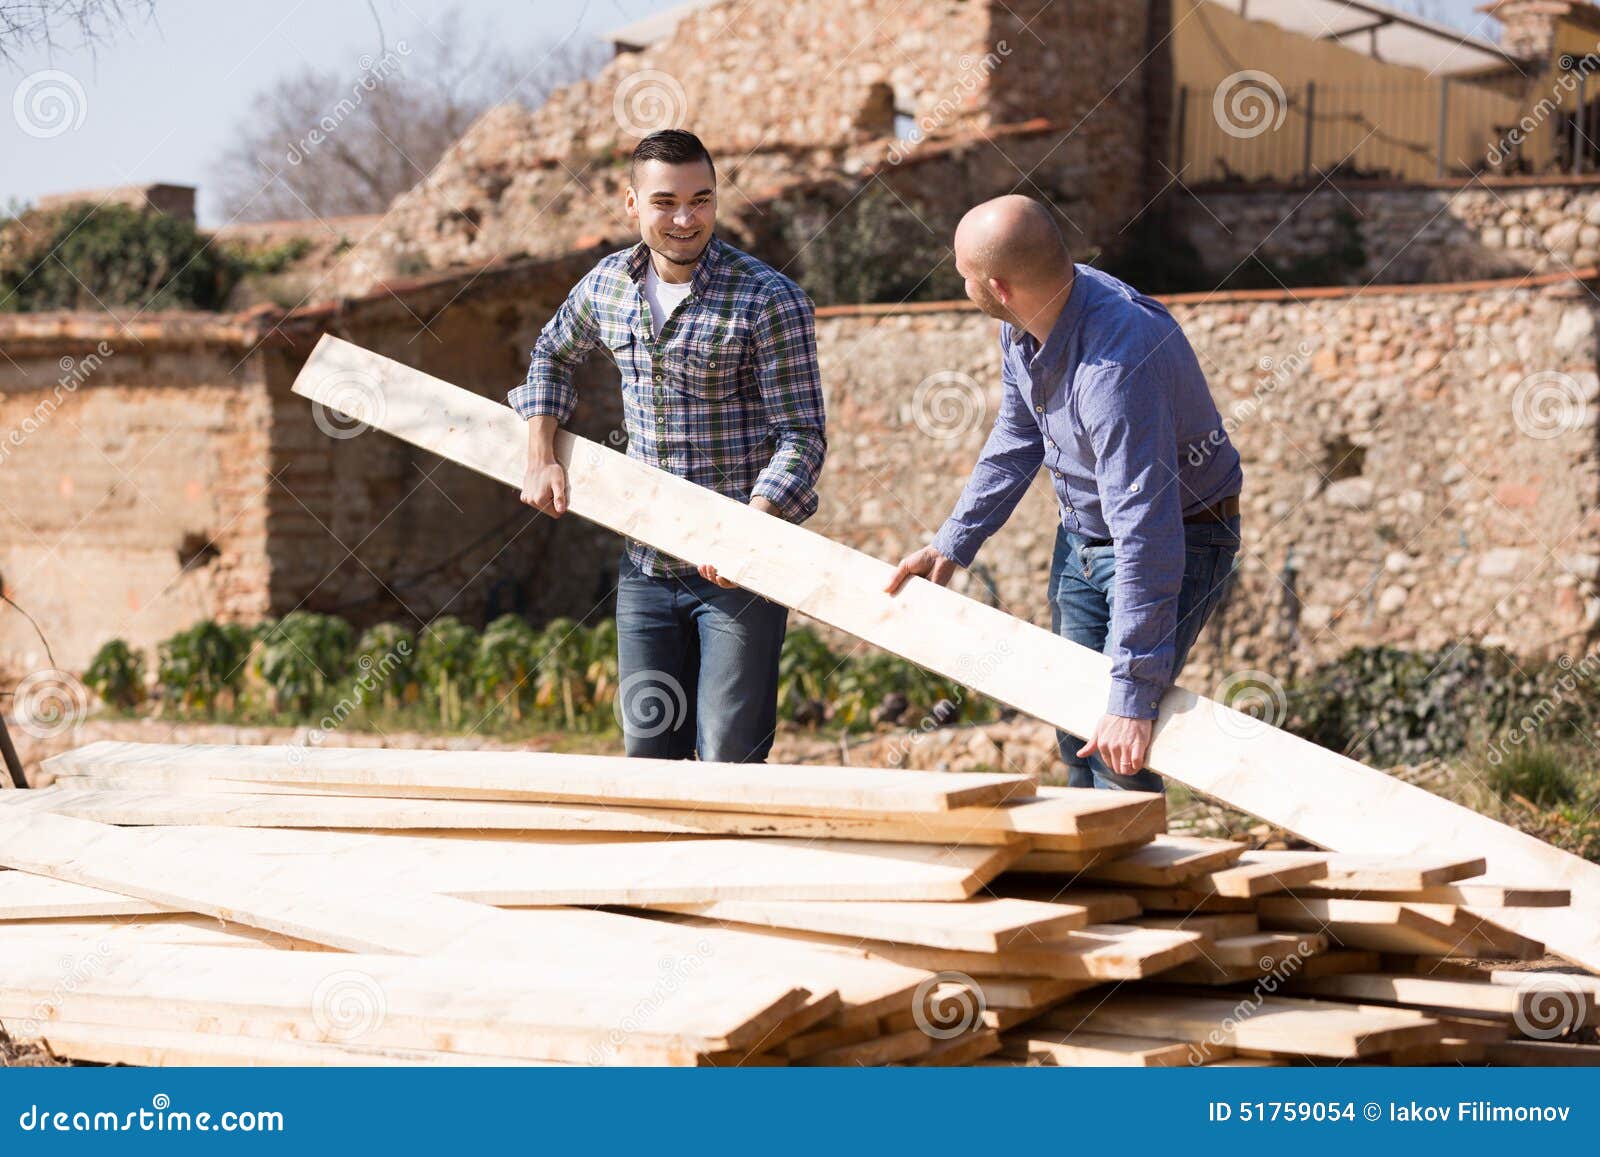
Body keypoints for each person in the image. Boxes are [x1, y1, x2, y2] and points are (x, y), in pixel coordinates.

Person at [886, 195, 1242, 792]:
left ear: (997, 286)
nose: (955, 276)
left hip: (1178, 535)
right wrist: (952, 544)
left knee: (1118, 742)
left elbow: (1146, 531)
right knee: (1077, 733)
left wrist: (1132, 695)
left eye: (962, 270)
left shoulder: (1115, 370)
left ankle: (1139, 881)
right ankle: (1092, 881)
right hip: (1084, 535)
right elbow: (1018, 432)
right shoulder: (1027, 318)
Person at [511, 129, 826, 763]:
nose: (686, 219)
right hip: (646, 570)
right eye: (665, 202)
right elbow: (549, 353)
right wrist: (540, 452)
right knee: (648, 760)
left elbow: (802, 435)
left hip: (739, 576)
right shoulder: (607, 287)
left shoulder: (767, 299)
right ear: (631, 203)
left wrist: (750, 528)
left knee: (727, 763)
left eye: (702, 200)